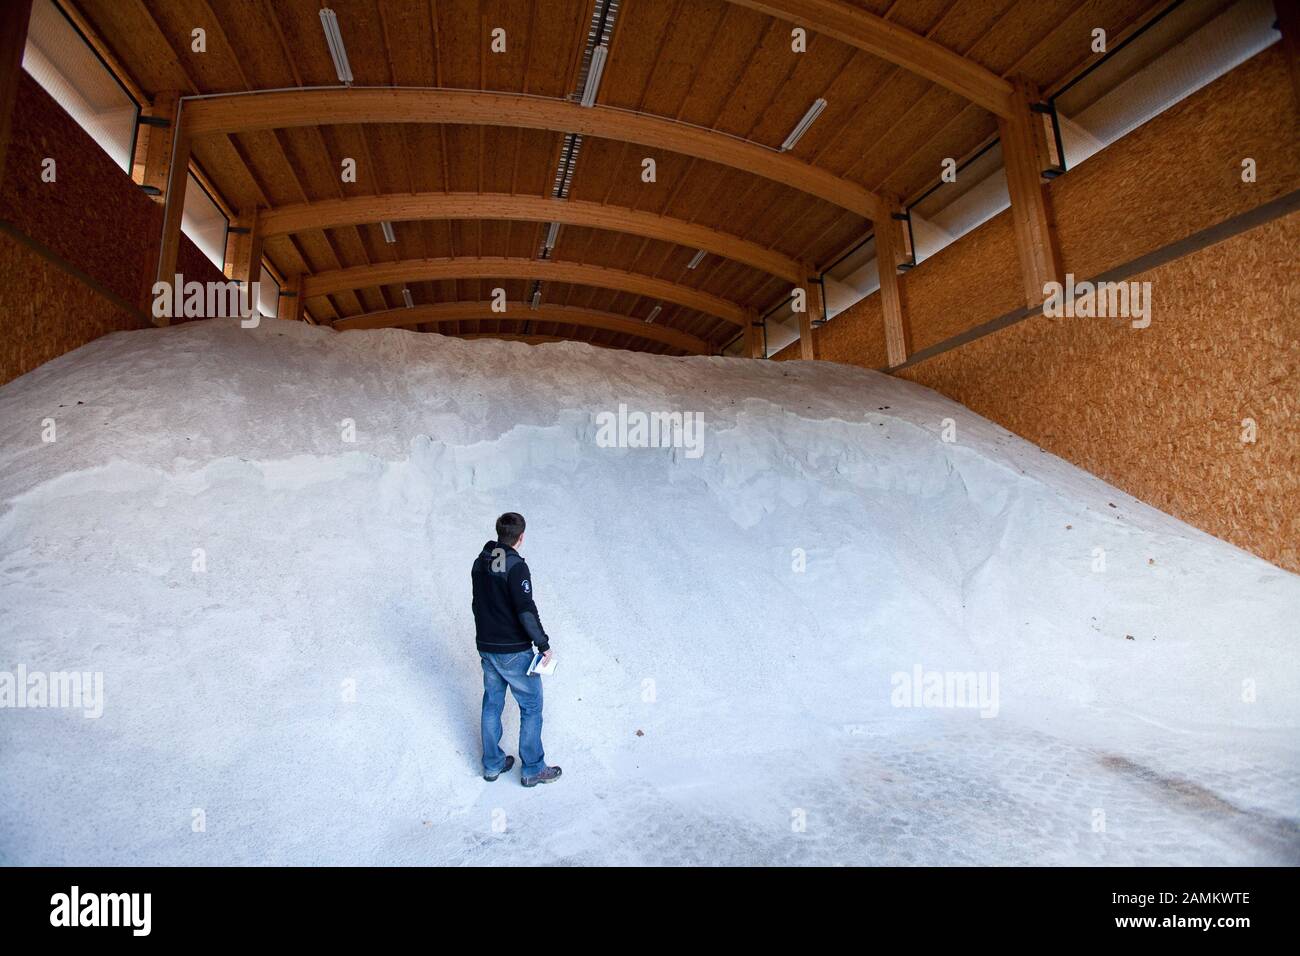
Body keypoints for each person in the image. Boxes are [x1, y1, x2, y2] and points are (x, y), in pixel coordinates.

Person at [471, 512, 562, 787]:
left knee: (492, 704)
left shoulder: (480, 561)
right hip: (513, 650)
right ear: (521, 537)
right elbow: (525, 609)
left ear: (499, 533)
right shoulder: (516, 566)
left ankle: (493, 765)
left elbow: (477, 603)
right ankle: (533, 768)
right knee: (532, 706)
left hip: (487, 647)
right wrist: (542, 643)